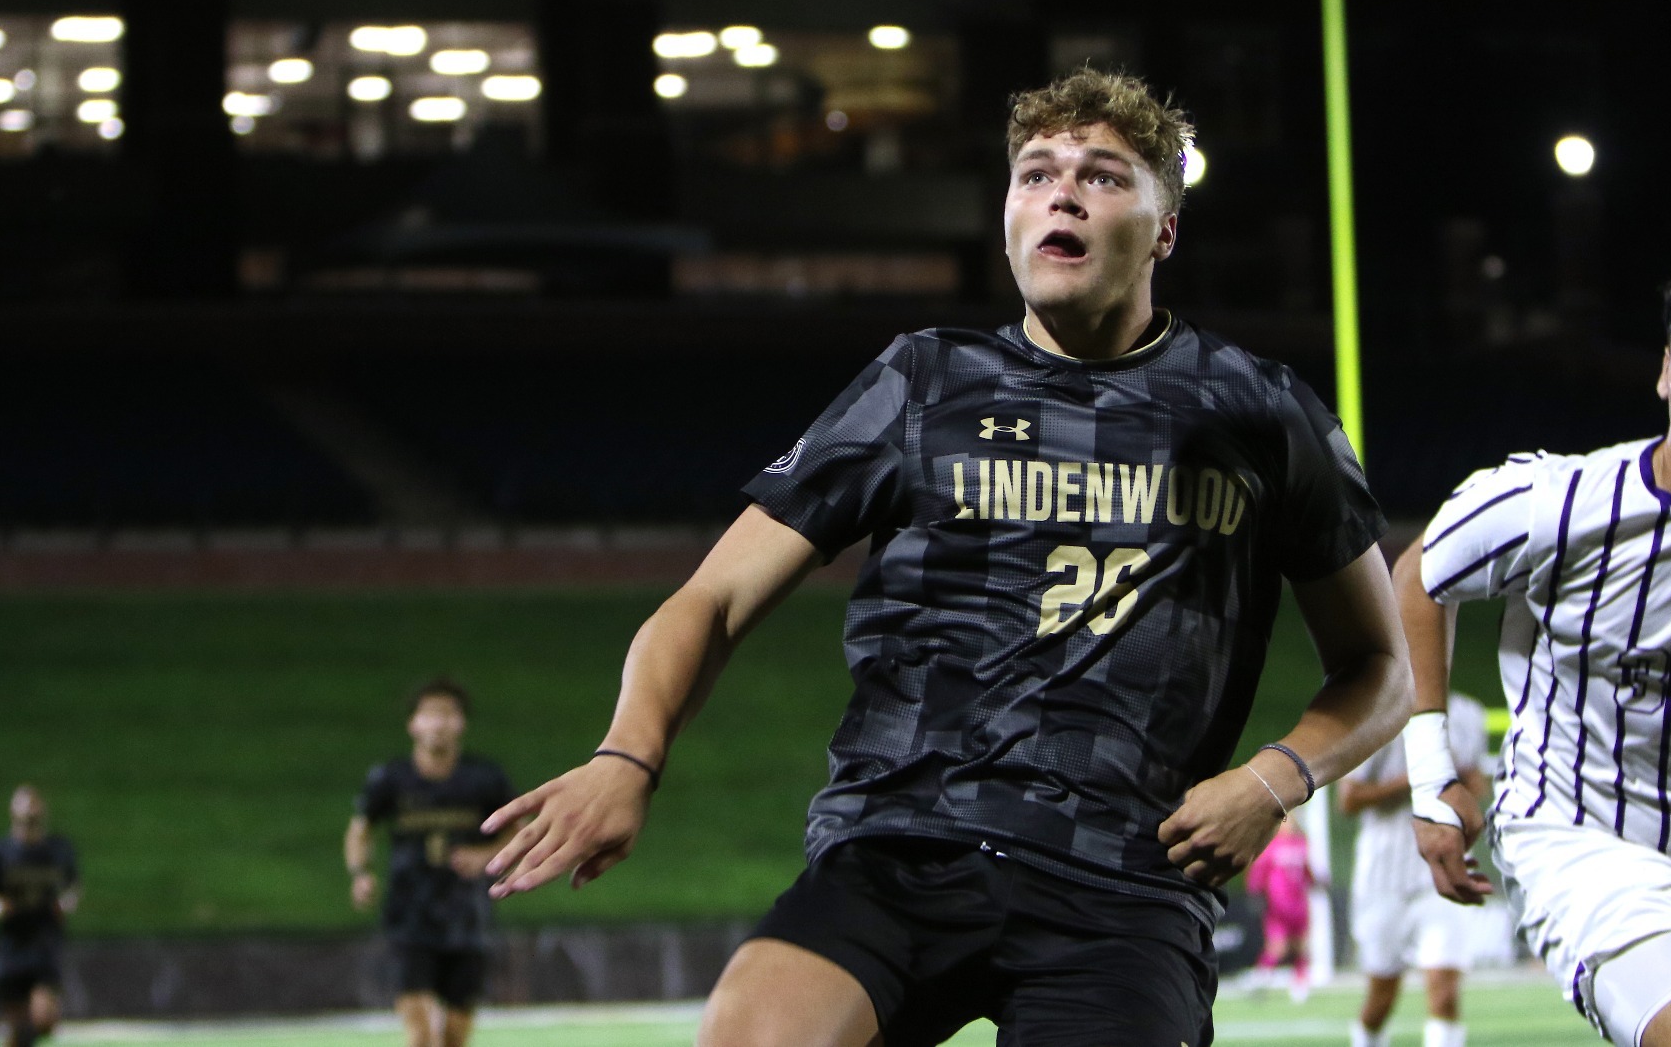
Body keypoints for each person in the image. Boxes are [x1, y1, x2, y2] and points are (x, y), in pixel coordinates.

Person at [480, 67, 1413, 1047]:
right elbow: (711, 597)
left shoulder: (1259, 411)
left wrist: (1269, 779)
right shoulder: (923, 381)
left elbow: (1379, 667)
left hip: (1123, 881)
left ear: (1163, 229)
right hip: (901, 842)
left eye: (1099, 175)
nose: (1059, 193)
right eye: (1034, 173)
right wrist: (627, 754)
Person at [1397, 234, 1671, 1047]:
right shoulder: (1561, 502)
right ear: (1662, 370)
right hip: (1582, 842)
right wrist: (1428, 772)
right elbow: (1418, 573)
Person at [347, 677, 515, 1047]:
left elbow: (518, 831)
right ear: (413, 724)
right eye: (430, 714)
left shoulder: (484, 779)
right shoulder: (391, 779)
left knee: (454, 1037)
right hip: (410, 917)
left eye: (448, 714)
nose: (439, 723)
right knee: (422, 1037)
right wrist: (361, 873)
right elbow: (360, 830)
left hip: (468, 917)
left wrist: (484, 856)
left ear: (461, 723)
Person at [1338, 689, 1490, 1047]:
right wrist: (1418, 778)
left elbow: (1477, 783)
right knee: (1381, 996)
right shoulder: (1378, 712)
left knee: (1444, 991)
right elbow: (1349, 799)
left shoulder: (1468, 712)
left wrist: (1461, 783)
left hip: (1443, 869)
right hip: (1383, 877)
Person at [0, 785, 79, 1047]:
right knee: (18, 1030)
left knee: (44, 1020)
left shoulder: (58, 850)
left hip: (44, 942)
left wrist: (67, 902)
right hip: (11, 947)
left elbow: (73, 886)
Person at [1243, 815, 1321, 1003]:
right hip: (1278, 906)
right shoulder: (1272, 845)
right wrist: (1255, 892)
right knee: (1277, 947)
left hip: (1299, 906)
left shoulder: (1302, 843)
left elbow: (1307, 872)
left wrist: (1317, 882)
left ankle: (1300, 987)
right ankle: (1260, 980)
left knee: (1301, 947)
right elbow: (1259, 872)